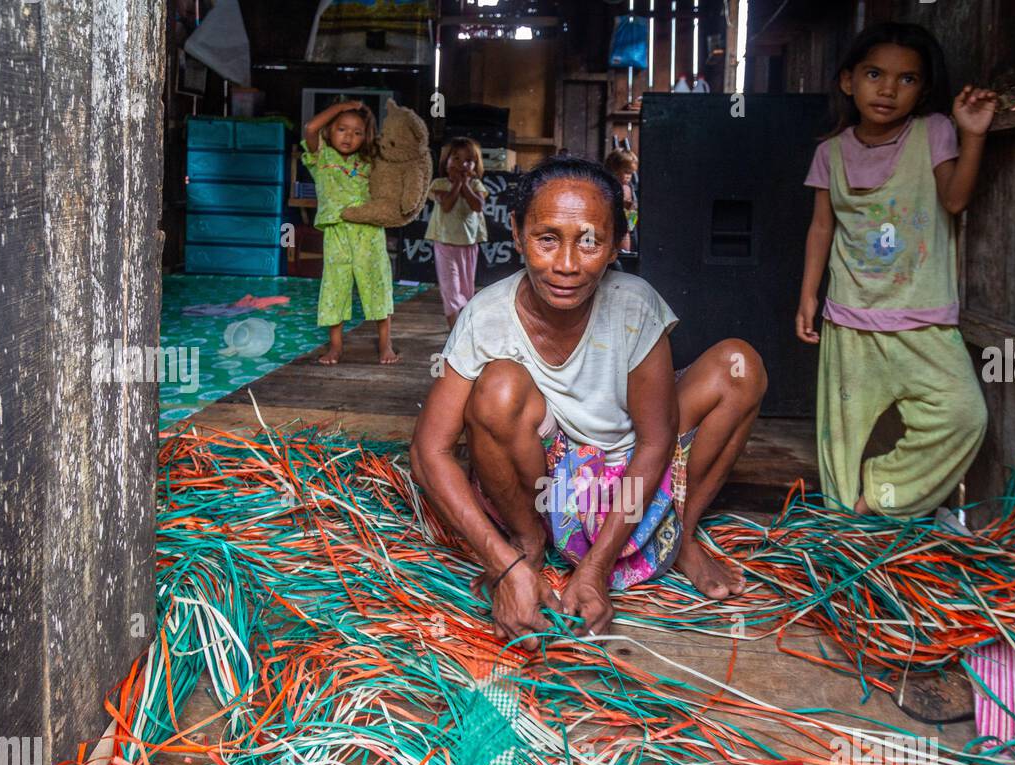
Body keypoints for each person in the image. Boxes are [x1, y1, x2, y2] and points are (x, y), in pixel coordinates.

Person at [410, 156, 767, 642]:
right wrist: (505, 563)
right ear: (516, 234)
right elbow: (429, 451)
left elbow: (655, 440)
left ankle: (679, 533)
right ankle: (528, 544)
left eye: (590, 241)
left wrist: (595, 572)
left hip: (633, 465)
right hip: (546, 470)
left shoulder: (634, 303)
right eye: (547, 238)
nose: (567, 265)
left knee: (739, 366)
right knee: (497, 389)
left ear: (618, 243)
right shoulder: (485, 317)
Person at [795, 22, 996, 519]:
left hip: (922, 318)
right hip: (849, 320)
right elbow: (822, 228)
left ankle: (879, 498)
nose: (887, 89)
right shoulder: (831, 152)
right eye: (874, 74)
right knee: (840, 440)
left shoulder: (934, 133)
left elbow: (954, 199)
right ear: (848, 81)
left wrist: (972, 136)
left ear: (923, 89)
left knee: (962, 415)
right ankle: (842, 531)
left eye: (907, 79)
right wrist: (808, 296)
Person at [302, 100, 398, 365]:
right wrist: (342, 106)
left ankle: (385, 343)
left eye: (357, 132)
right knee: (335, 288)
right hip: (337, 234)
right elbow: (310, 127)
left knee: (377, 285)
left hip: (369, 233)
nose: (349, 136)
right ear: (329, 132)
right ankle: (335, 347)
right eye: (342, 129)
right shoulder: (321, 157)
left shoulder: (369, 162)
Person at [426, 137, 488, 330]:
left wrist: (466, 184)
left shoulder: (476, 185)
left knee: (466, 288)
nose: (463, 164)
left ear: (475, 165)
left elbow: (477, 206)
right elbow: (446, 205)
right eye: (457, 158)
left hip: (468, 244)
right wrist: (457, 185)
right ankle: (454, 330)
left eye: (468, 160)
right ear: (446, 163)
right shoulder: (439, 184)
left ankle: (465, 325)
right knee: (450, 288)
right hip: (445, 243)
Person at [604, 149, 639, 255]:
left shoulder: (628, 188)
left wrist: (632, 212)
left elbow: (631, 216)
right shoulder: (608, 187)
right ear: (614, 169)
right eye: (626, 172)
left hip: (625, 229)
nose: (629, 176)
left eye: (631, 173)